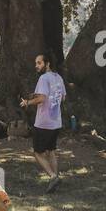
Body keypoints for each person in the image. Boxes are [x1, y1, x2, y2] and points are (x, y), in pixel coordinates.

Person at [20, 52, 67, 192]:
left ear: (47, 64)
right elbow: (62, 97)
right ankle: (56, 178)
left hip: (44, 122)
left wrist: (28, 102)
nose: (36, 66)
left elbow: (42, 99)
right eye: (36, 63)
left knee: (38, 153)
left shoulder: (43, 78)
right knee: (51, 151)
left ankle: (53, 176)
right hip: (56, 121)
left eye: (39, 63)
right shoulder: (58, 78)